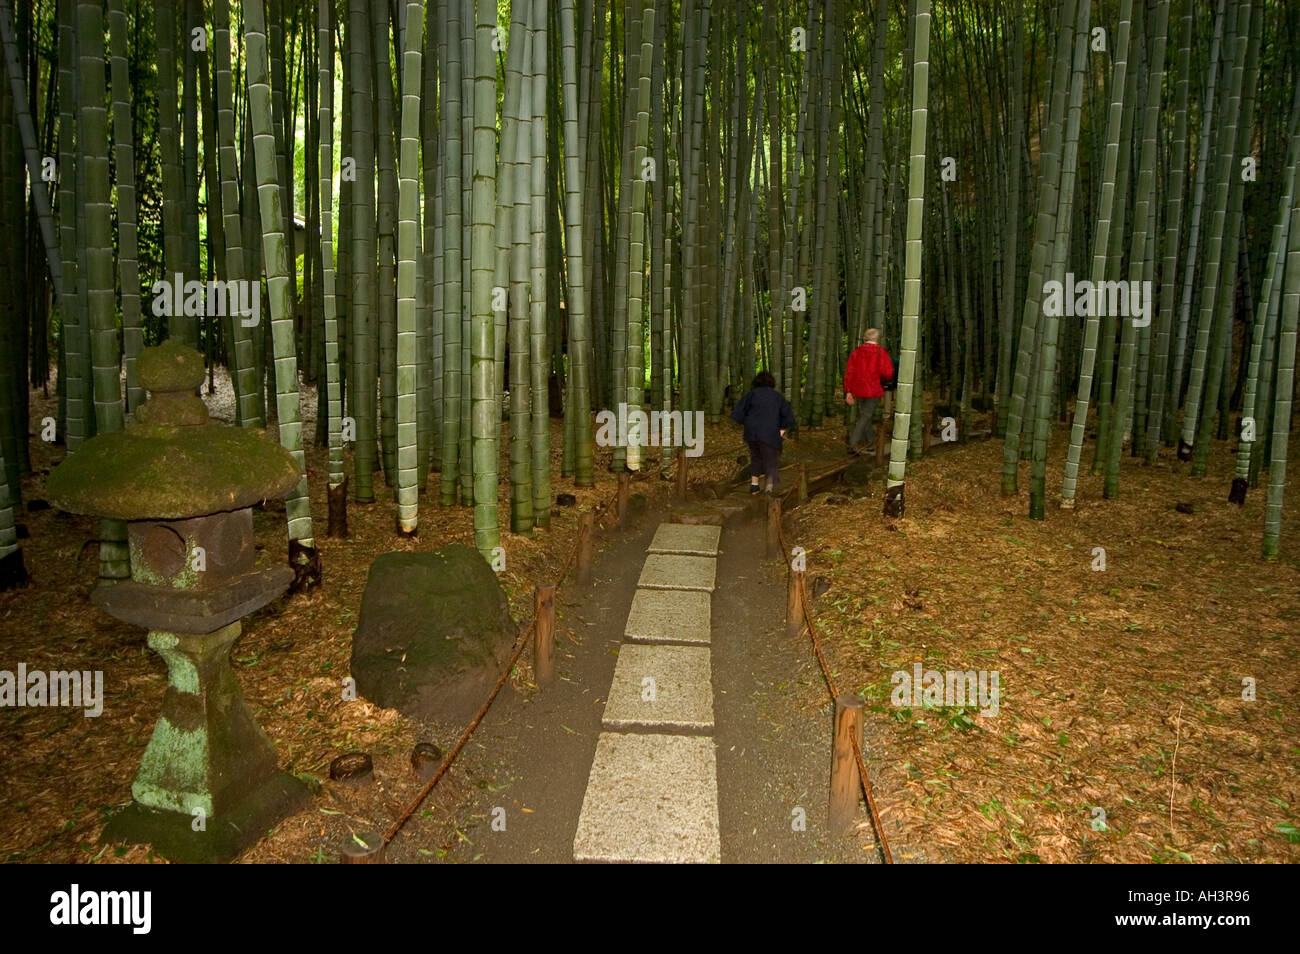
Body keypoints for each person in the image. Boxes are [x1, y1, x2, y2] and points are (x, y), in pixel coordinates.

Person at [730, 370, 796, 495]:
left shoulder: (751, 395)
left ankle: (754, 486)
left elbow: (737, 414)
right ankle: (769, 488)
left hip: (752, 433)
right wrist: (782, 430)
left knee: (756, 458)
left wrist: (749, 423)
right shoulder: (777, 397)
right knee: (770, 459)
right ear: (771, 382)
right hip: (769, 432)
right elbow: (788, 417)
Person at [843, 328, 894, 455]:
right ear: (876, 339)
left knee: (866, 416)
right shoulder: (880, 352)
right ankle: (853, 444)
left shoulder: (856, 352)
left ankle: (871, 443)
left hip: (858, 390)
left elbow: (849, 373)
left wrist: (848, 391)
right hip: (873, 390)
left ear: (865, 338)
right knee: (865, 416)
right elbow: (888, 373)